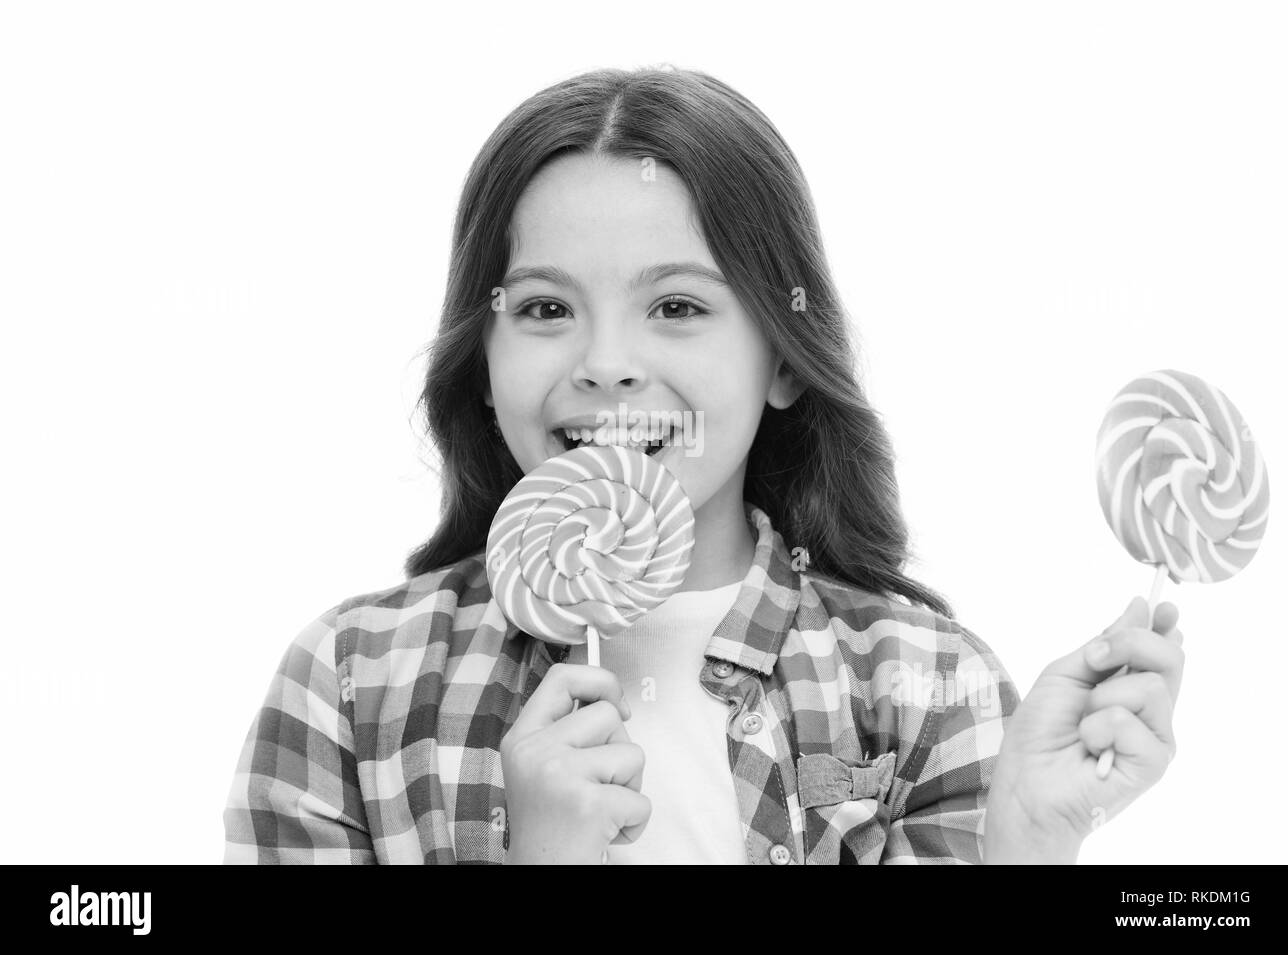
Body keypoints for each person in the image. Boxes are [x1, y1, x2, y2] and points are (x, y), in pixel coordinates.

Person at [223, 66, 1184, 864]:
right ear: (481, 359)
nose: (605, 363)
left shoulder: (924, 687)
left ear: (782, 360)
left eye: (678, 307)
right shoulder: (351, 683)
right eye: (546, 309)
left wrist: (1025, 845)